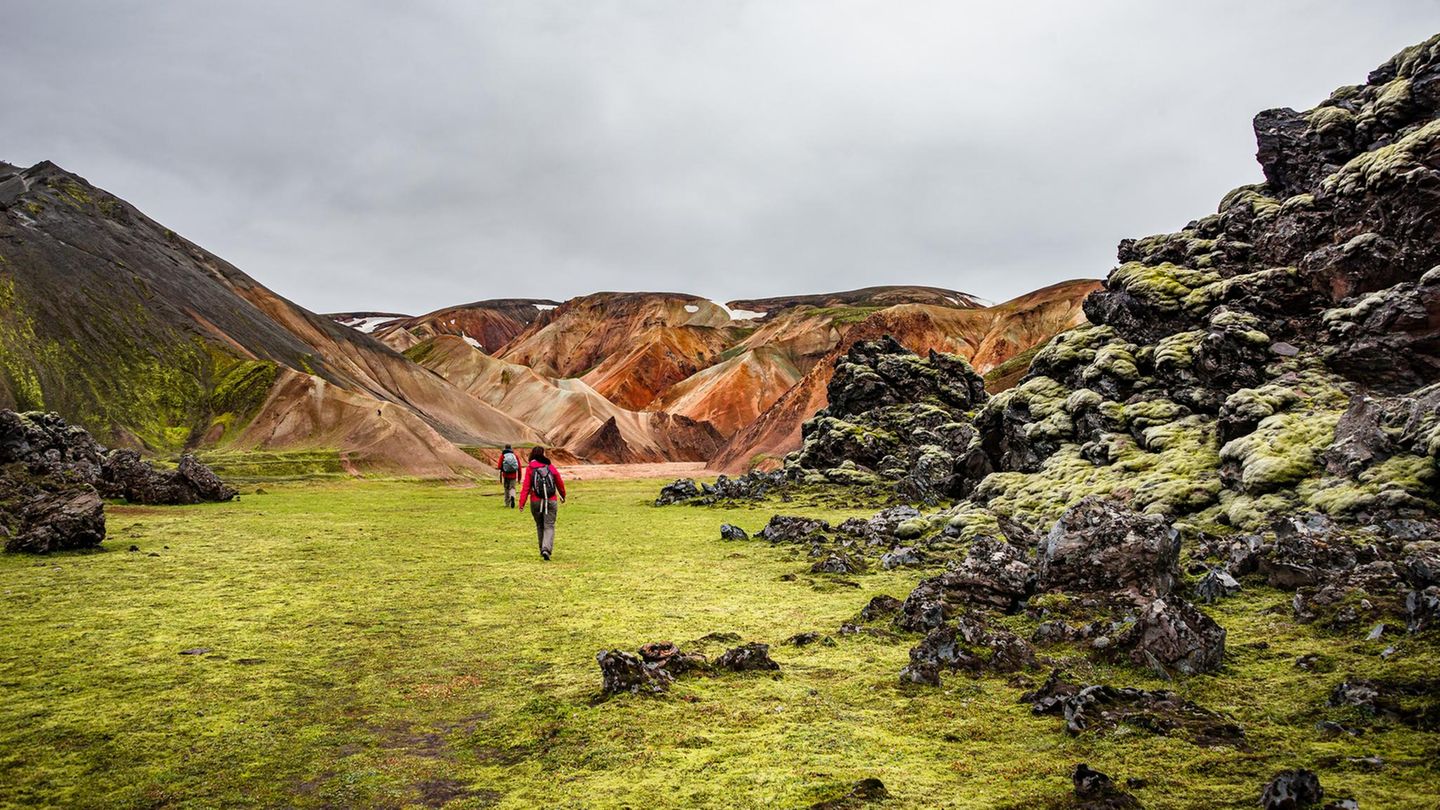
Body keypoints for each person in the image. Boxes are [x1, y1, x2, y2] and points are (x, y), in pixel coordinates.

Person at [517, 446, 566, 561]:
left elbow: (526, 487)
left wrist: (522, 503)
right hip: (551, 499)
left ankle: (542, 549)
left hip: (535, 500)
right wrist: (563, 495)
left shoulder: (530, 468)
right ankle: (546, 549)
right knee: (549, 525)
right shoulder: (550, 466)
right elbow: (559, 481)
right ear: (543, 454)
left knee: (540, 525)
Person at [497, 444, 521, 508]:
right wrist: (519, 478)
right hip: (513, 475)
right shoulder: (515, 456)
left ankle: (507, 503)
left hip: (506, 475)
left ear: (505, 448)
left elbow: (499, 466)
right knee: (512, 488)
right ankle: (512, 497)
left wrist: (503, 469)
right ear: (511, 448)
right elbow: (519, 467)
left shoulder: (503, 456)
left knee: (506, 488)